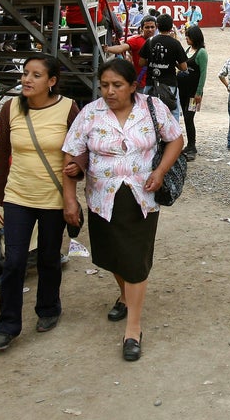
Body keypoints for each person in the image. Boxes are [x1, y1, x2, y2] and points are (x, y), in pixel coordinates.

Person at [61, 59, 183, 362]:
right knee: (111, 255)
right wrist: (70, 197)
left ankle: (133, 328)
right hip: (102, 199)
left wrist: (161, 171)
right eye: (104, 85)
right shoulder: (90, 113)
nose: (109, 91)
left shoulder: (152, 107)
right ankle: (125, 295)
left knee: (135, 260)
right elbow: (71, 153)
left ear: (132, 86)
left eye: (117, 85)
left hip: (142, 197)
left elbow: (176, 139)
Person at [0, 55, 81, 351]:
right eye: (25, 73)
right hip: (18, 196)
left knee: (48, 258)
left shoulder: (68, 108)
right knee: (13, 261)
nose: (27, 79)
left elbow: (81, 149)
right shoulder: (10, 107)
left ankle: (49, 308)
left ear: (52, 81)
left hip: (53, 198)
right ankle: (7, 325)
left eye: (36, 75)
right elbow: (1, 155)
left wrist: (77, 168)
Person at [139, 14, 189, 115]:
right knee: (172, 113)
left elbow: (141, 63)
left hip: (151, 84)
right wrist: (173, 62)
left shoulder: (149, 41)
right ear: (171, 27)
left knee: (148, 114)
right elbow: (184, 67)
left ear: (157, 26)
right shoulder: (175, 43)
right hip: (169, 85)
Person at [177, 25, 208, 161]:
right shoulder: (188, 49)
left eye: (188, 37)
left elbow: (203, 74)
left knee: (189, 118)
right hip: (182, 90)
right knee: (186, 117)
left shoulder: (201, 53)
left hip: (193, 93)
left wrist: (199, 92)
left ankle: (192, 146)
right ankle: (188, 145)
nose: (186, 39)